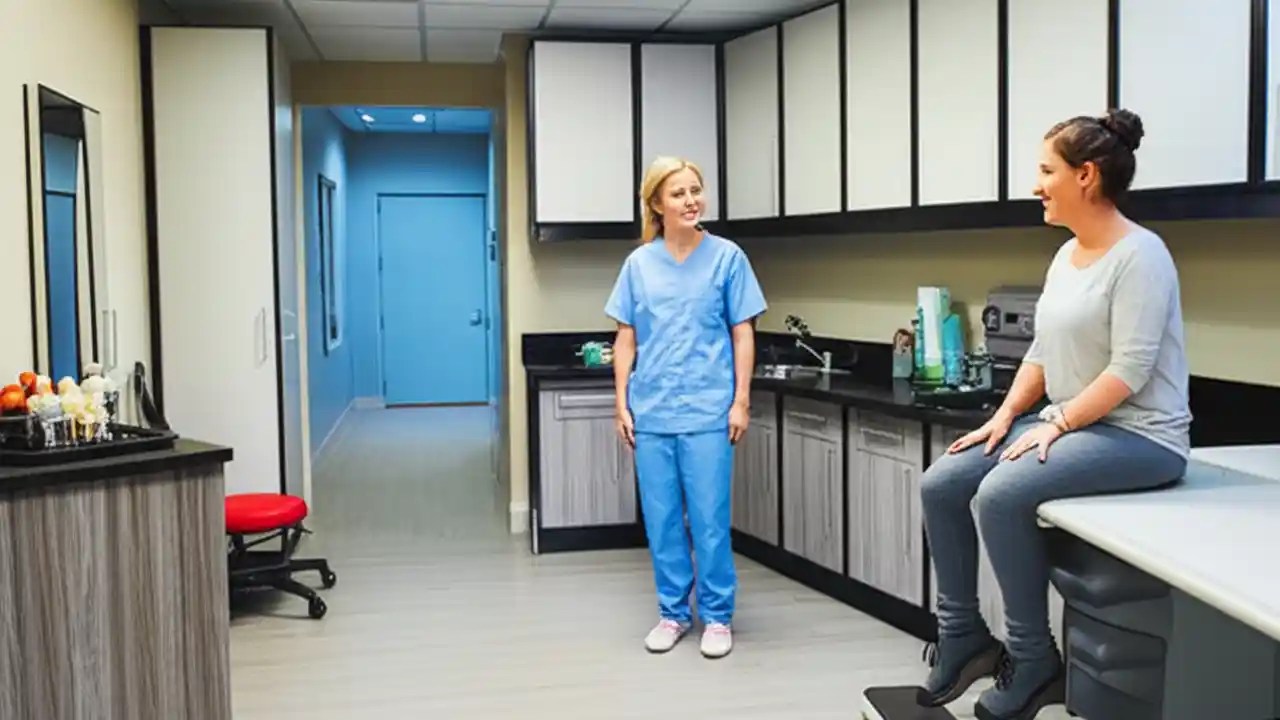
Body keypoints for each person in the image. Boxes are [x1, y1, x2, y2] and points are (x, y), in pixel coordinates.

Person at [916, 109, 1191, 719]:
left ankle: (1033, 657)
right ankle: (961, 635)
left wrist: (1058, 422)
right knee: (943, 482)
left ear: (1086, 175)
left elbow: (1131, 370)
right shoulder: (1066, 255)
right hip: (1074, 423)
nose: (1036, 184)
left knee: (1000, 494)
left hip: (1141, 435)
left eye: (1046, 170)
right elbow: (1041, 352)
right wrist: (1004, 416)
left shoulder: (1142, 256)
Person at [605, 156, 767, 659]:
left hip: (708, 410)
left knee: (710, 518)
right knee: (662, 518)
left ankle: (717, 617)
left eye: (696, 190)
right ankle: (674, 613)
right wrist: (621, 403)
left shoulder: (727, 258)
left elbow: (743, 333)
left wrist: (740, 400)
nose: (691, 200)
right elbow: (626, 339)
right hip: (652, 409)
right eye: (678, 193)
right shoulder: (638, 265)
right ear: (656, 202)